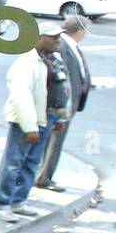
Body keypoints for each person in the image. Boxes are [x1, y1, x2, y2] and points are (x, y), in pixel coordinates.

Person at [0, 31, 70, 222]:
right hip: (29, 120)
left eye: (58, 38)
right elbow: (21, 95)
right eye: (53, 38)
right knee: (14, 162)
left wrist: (60, 118)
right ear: (39, 39)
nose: (57, 41)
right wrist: (29, 126)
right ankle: (1, 203)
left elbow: (63, 88)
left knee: (32, 162)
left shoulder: (53, 59)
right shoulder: (27, 62)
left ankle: (19, 200)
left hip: (48, 116)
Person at [36, 14, 92, 192]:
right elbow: (60, 76)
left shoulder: (70, 46)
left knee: (55, 140)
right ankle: (44, 176)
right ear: (80, 30)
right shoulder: (62, 46)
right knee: (54, 140)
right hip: (61, 105)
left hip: (68, 103)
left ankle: (44, 175)